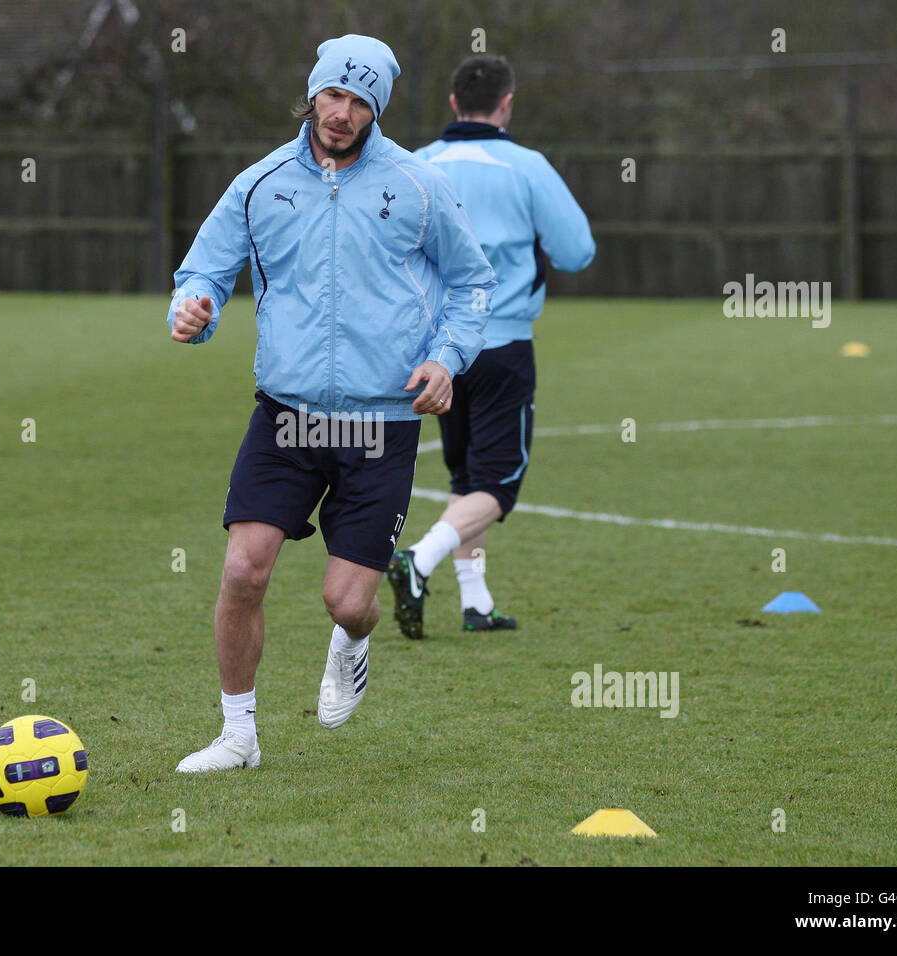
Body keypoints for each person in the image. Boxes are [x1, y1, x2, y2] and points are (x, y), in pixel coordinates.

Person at [168, 35, 496, 772]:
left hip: (382, 422)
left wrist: (446, 360)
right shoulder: (259, 183)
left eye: (359, 101)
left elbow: (473, 283)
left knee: (347, 602)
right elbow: (204, 273)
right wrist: (193, 310)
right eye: (332, 96)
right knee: (243, 570)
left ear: (375, 107)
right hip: (285, 415)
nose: (342, 113)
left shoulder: (415, 185)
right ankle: (237, 736)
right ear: (312, 94)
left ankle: (353, 644)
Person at [387, 55, 595, 640]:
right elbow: (578, 251)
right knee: (497, 488)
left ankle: (476, 605)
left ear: (453, 103)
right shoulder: (527, 167)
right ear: (507, 103)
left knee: (466, 480)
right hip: (502, 344)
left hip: (437, 354)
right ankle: (418, 560)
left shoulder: (416, 164)